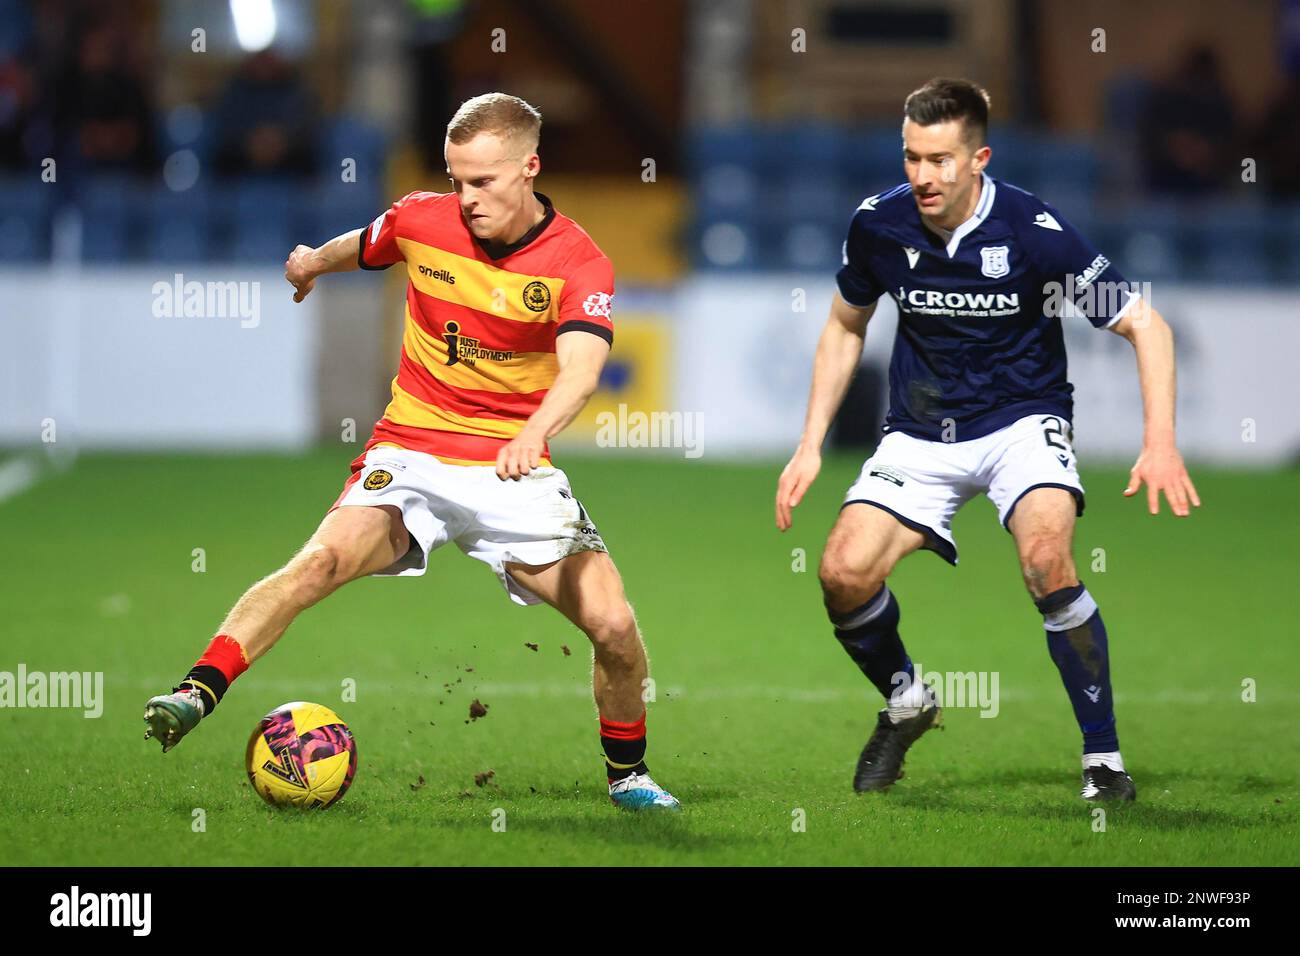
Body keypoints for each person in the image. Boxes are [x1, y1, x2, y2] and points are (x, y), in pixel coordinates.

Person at [145, 92, 679, 812]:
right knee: (320, 562)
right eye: (456, 178)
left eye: (483, 181)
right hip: (413, 450)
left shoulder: (578, 262)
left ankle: (629, 776)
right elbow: (365, 243)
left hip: (513, 466)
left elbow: (582, 370)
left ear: (530, 166)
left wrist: (530, 433)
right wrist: (310, 263)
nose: (466, 198)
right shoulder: (424, 219)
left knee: (613, 625)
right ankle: (194, 692)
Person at [775, 78, 1199, 802]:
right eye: (912, 157)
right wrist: (810, 441)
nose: (923, 176)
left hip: (1020, 425)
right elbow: (847, 323)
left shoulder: (1035, 233)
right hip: (918, 434)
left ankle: (1103, 761)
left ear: (980, 159)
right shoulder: (879, 223)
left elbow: (1144, 324)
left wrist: (1159, 442)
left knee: (1045, 561)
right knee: (842, 573)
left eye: (941, 160)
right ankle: (907, 701)